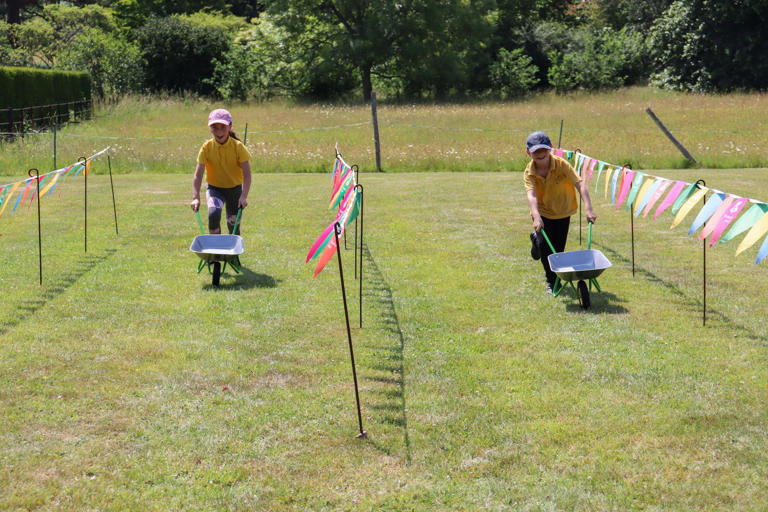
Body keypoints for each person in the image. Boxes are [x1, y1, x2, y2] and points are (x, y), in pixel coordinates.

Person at [523, 131, 596, 294]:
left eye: (543, 150)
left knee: (557, 250)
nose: (540, 154)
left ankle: (537, 242)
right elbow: (531, 195)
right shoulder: (530, 171)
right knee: (545, 247)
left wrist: (589, 209)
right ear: (528, 152)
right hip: (542, 212)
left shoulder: (562, 165)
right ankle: (552, 282)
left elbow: (580, 184)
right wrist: (536, 216)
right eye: (536, 152)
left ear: (550, 149)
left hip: (563, 212)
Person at [191, 109, 251, 235]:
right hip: (215, 189)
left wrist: (243, 196)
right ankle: (216, 252)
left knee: (233, 226)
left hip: (235, 191)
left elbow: (247, 174)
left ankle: (233, 254)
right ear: (210, 128)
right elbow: (198, 175)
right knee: (213, 215)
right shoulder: (206, 147)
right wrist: (195, 198)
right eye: (214, 127)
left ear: (230, 126)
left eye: (223, 127)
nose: (219, 132)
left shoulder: (238, 147)